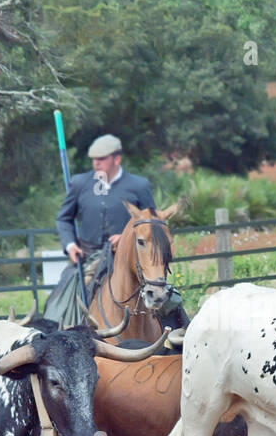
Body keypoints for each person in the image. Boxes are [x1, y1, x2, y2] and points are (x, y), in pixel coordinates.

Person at [46, 134, 180, 327]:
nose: (96, 164)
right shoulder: (80, 184)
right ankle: (56, 339)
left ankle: (178, 338)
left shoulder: (138, 185)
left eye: (101, 159)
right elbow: (64, 219)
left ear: (116, 159)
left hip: (126, 257)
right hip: (88, 257)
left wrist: (127, 237)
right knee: (58, 301)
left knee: (167, 297)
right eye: (94, 160)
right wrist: (70, 245)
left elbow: (152, 223)